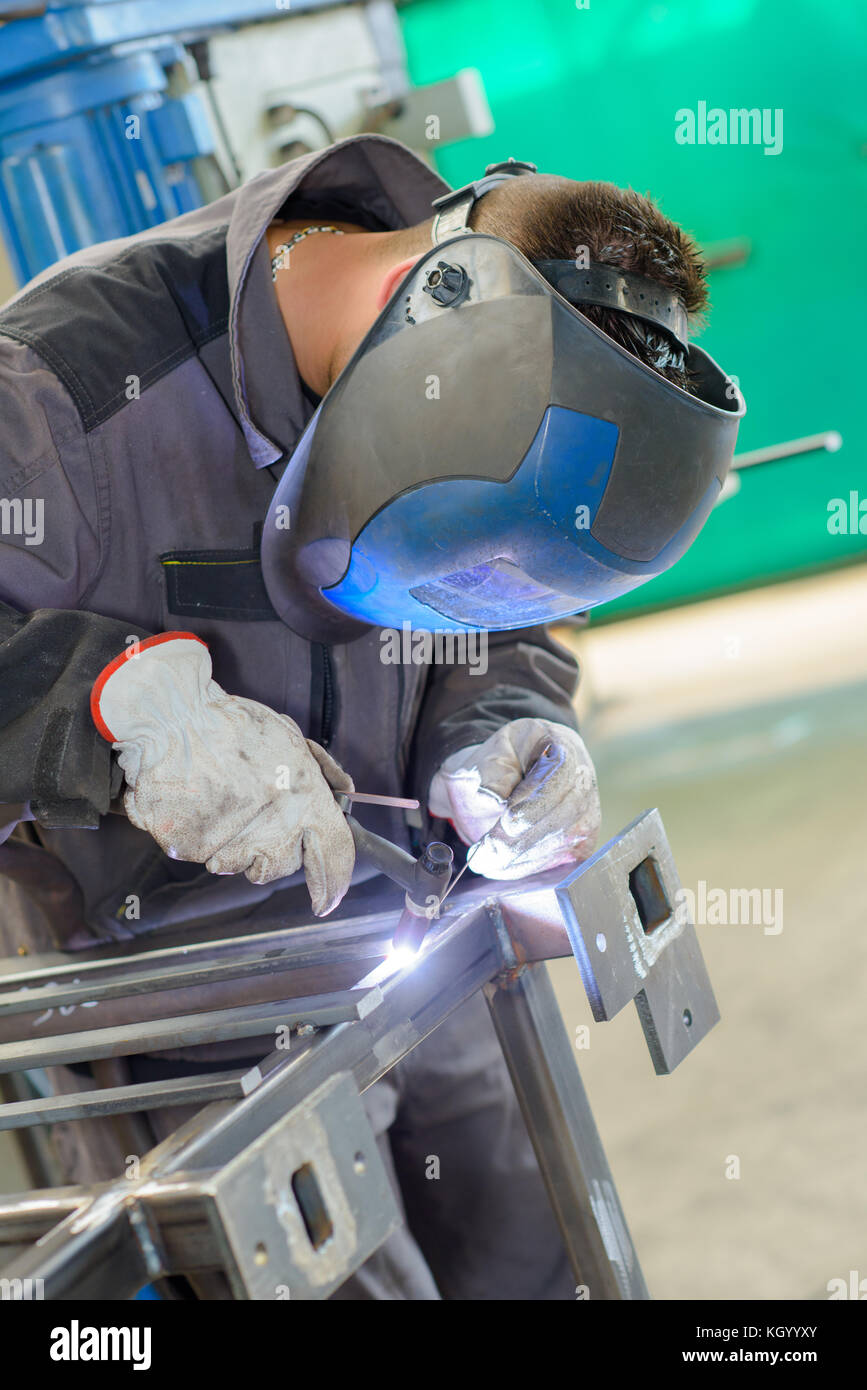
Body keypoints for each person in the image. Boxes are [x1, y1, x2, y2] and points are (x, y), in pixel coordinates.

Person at [0, 135, 743, 1299]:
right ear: (431, 316)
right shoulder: (60, 392)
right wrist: (107, 700)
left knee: (543, 1267)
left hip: (424, 941)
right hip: (191, 1015)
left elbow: (502, 618)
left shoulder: (477, 380)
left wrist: (492, 723)